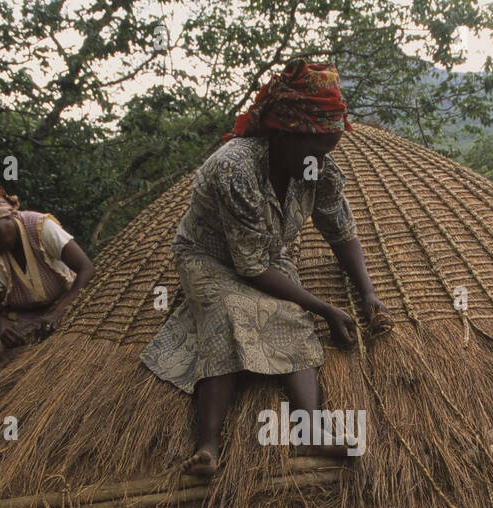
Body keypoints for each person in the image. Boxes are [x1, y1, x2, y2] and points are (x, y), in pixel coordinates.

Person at [140, 59, 390, 476]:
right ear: (283, 133)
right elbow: (250, 268)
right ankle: (207, 444)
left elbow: (340, 230)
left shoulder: (319, 171)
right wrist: (325, 308)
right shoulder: (234, 168)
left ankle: (309, 429)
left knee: (292, 314)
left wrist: (368, 294)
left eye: (328, 150)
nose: (318, 160)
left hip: (267, 255)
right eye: (312, 148)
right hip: (207, 255)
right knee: (227, 313)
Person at [0, 184, 96, 381]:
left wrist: (58, 312)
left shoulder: (39, 227)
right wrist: (1, 324)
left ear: (7, 215)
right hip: (21, 318)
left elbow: (86, 268)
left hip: (66, 300)